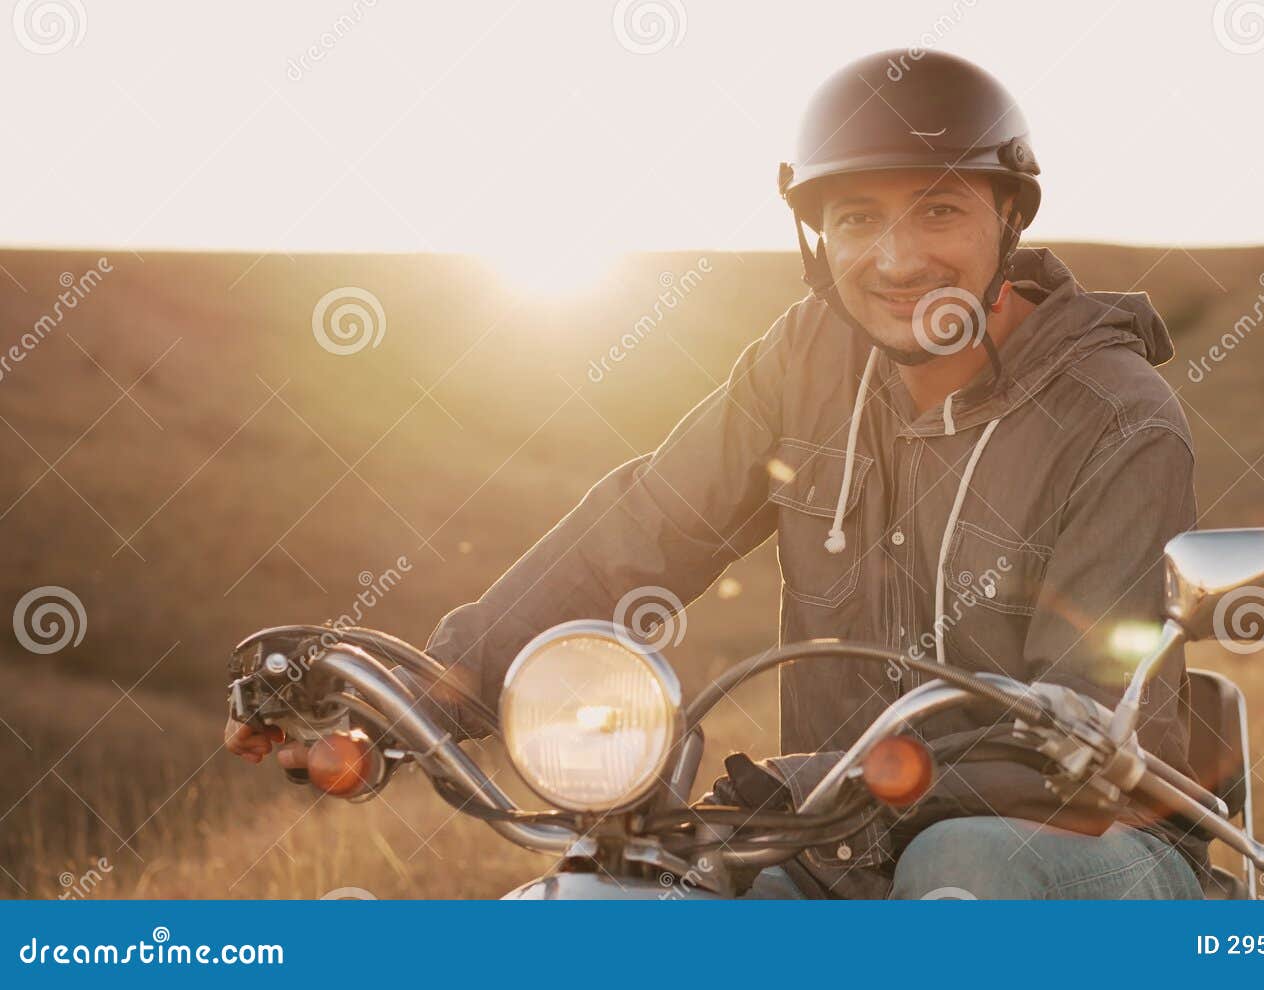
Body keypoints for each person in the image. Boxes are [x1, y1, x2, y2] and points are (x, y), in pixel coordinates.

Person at [227, 48, 1206, 900]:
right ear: (818, 237)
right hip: (833, 845)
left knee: (960, 872)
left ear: (1008, 218)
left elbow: (1087, 733)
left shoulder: (1117, 420)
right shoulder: (806, 359)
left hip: (1091, 852)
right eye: (857, 218)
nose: (896, 258)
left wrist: (804, 788)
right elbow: (644, 526)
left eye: (939, 209)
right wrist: (423, 692)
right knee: (598, 904)